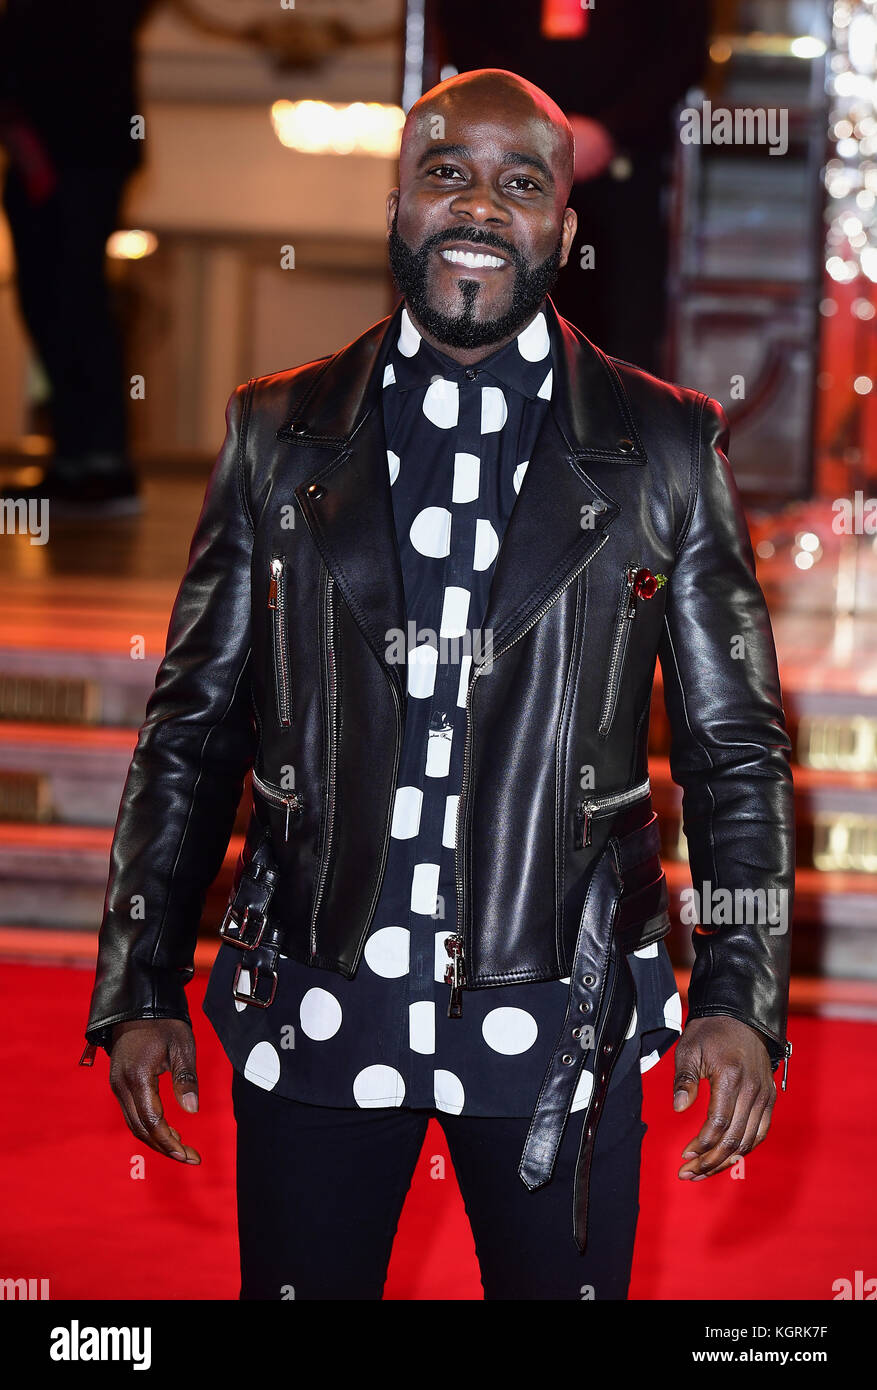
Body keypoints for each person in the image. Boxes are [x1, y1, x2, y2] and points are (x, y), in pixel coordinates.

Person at [80, 69, 795, 1301]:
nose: (479, 203)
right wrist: (138, 974)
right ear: (397, 203)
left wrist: (742, 991)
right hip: (315, 1002)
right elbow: (190, 730)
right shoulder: (276, 431)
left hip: (563, 1016)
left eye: (523, 183)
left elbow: (738, 754)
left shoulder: (667, 446)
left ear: (564, 233)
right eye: (446, 171)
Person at [433, 0, 711, 375]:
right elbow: (466, 32)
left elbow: (683, 48)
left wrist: (612, 129)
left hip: (628, 171)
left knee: (624, 331)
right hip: (511, 159)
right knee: (506, 311)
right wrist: (542, 127)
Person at [0, 0, 156, 517]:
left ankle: (99, 464)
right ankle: (78, 461)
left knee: (73, 303)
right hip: (71, 147)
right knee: (53, 303)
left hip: (79, 151)